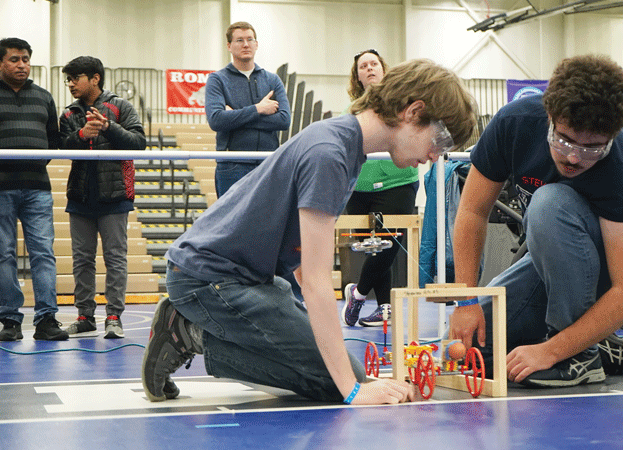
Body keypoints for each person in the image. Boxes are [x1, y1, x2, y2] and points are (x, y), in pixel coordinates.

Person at [142, 59, 477, 405]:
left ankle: (193, 330)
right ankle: (188, 333)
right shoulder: (330, 154)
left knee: (343, 370)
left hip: (244, 278)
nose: (435, 155)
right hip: (209, 278)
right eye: (440, 140)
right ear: (413, 112)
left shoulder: (343, 145)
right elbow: (317, 282)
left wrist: (301, 330)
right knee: (337, 381)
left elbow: (299, 250)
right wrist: (352, 391)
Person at [449, 55, 623, 388]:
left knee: (549, 203)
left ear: (612, 136)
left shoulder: (622, 166)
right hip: (552, 266)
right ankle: (593, 343)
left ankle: (580, 357)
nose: (573, 157)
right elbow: (471, 212)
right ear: (550, 116)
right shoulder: (514, 123)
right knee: (475, 349)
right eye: (564, 140)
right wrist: (466, 301)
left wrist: (552, 351)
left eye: (592, 148)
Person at [0, 37, 67, 341]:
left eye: (25, 59)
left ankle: (47, 319)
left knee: (43, 253)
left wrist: (33, 163)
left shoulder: (44, 97)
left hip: (37, 187)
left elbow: (53, 140)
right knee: (3, 254)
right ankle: (10, 320)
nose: (22, 65)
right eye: (14, 59)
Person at [58, 56, 146, 339]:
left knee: (115, 258)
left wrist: (109, 127)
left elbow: (139, 143)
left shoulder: (121, 107)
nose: (71, 84)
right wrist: (81, 135)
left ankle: (113, 317)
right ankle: (85, 316)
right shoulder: (69, 114)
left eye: (76, 78)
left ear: (95, 78)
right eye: (68, 79)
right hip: (80, 196)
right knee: (81, 260)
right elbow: (62, 148)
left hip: (115, 195)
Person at [341, 49, 419, 327]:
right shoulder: (351, 111)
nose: (370, 68)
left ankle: (358, 294)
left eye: (374, 63)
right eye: (363, 66)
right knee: (372, 248)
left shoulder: (402, 102)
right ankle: (384, 308)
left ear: (383, 69)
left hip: (398, 182)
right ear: (357, 76)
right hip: (360, 187)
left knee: (387, 245)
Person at [205, 21, 291, 197]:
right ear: (229, 46)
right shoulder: (217, 80)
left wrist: (235, 117)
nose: (246, 44)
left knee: (268, 215)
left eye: (250, 39)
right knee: (232, 215)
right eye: (239, 40)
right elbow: (217, 120)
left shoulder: (272, 80)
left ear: (256, 44)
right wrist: (258, 109)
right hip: (232, 165)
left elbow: (284, 120)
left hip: (268, 163)